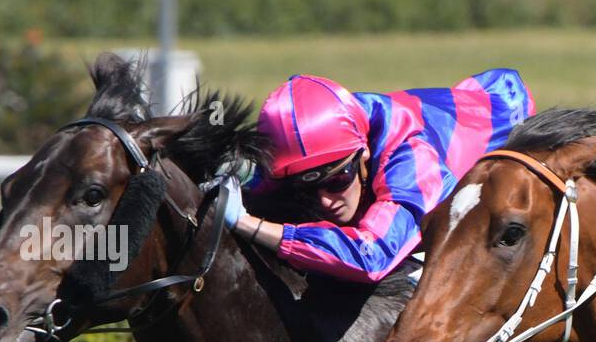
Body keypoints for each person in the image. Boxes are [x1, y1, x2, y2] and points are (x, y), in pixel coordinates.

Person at [221, 69, 535, 282]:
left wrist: (249, 225)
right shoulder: (327, 140)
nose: (325, 200)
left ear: (364, 154)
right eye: (307, 188)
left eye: (336, 180)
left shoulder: (413, 160)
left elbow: (371, 256)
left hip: (503, 140)